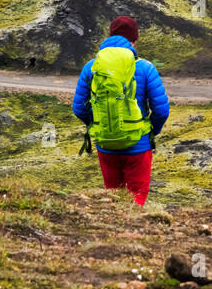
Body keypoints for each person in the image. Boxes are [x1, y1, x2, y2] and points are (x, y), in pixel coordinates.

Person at [72, 15, 169, 205]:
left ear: (110, 36)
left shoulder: (91, 67)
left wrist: (100, 124)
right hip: (138, 146)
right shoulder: (145, 67)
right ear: (134, 39)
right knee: (137, 197)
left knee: (113, 198)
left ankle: (114, 232)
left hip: (106, 145)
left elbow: (79, 108)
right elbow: (161, 110)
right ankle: (133, 233)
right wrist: (151, 132)